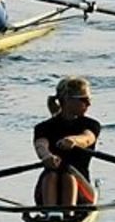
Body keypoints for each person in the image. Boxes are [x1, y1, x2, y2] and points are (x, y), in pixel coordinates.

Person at [33, 76, 101, 213]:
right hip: (46, 189)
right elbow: (41, 145)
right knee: (52, 172)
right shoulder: (43, 127)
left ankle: (68, 213)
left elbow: (88, 138)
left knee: (67, 173)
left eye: (89, 99)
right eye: (83, 99)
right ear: (67, 100)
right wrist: (46, 156)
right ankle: (52, 215)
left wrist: (74, 141)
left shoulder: (91, 124)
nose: (88, 104)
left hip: (82, 194)